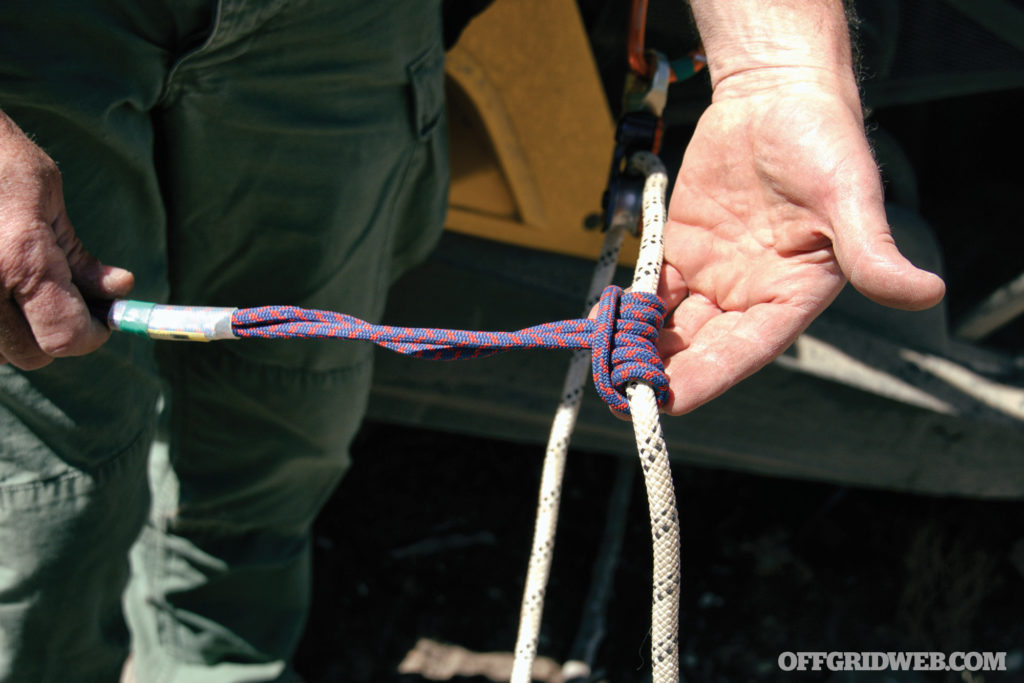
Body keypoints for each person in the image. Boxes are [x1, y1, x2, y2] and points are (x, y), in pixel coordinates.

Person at [0, 0, 944, 681]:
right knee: (51, 495)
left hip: (338, 27)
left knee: (282, 424)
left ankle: (218, 666)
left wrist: (776, 66)